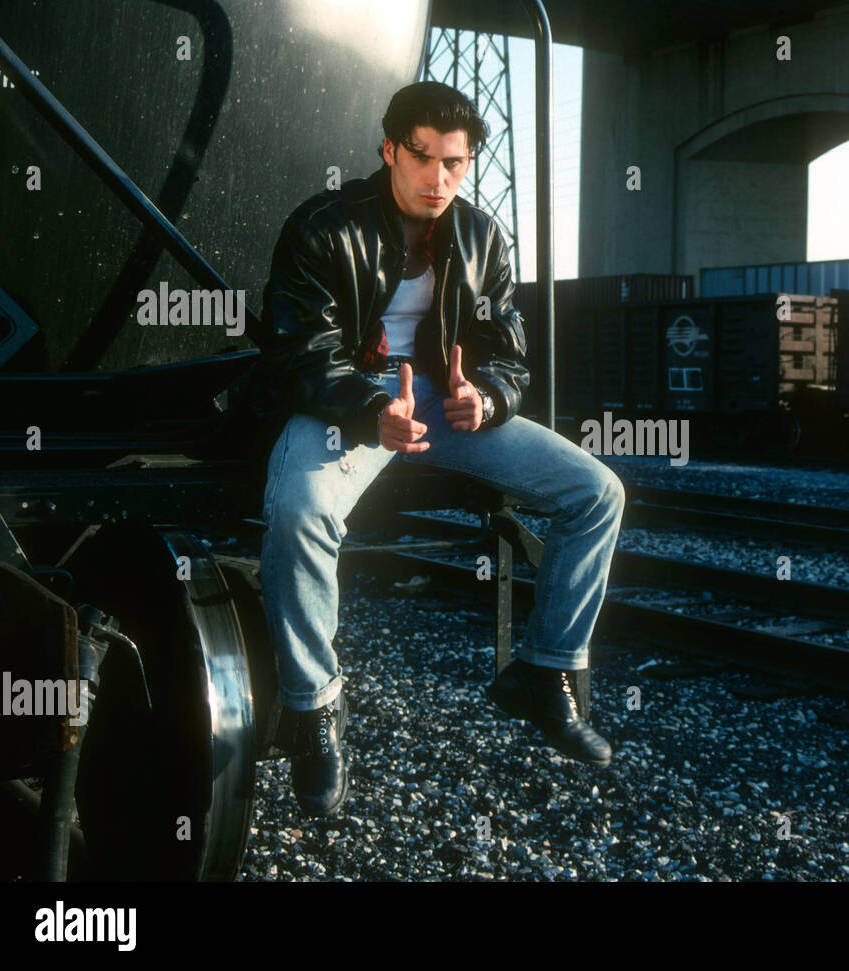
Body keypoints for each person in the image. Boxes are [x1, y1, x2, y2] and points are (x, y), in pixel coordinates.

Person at [251, 81, 623, 817]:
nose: (437, 178)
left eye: (454, 162)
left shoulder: (482, 238)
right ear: (389, 150)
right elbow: (298, 350)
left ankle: (545, 673)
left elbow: (508, 357)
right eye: (421, 157)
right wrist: (367, 406)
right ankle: (315, 708)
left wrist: (485, 396)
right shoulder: (323, 226)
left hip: (446, 409)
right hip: (348, 401)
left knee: (598, 492)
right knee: (297, 514)